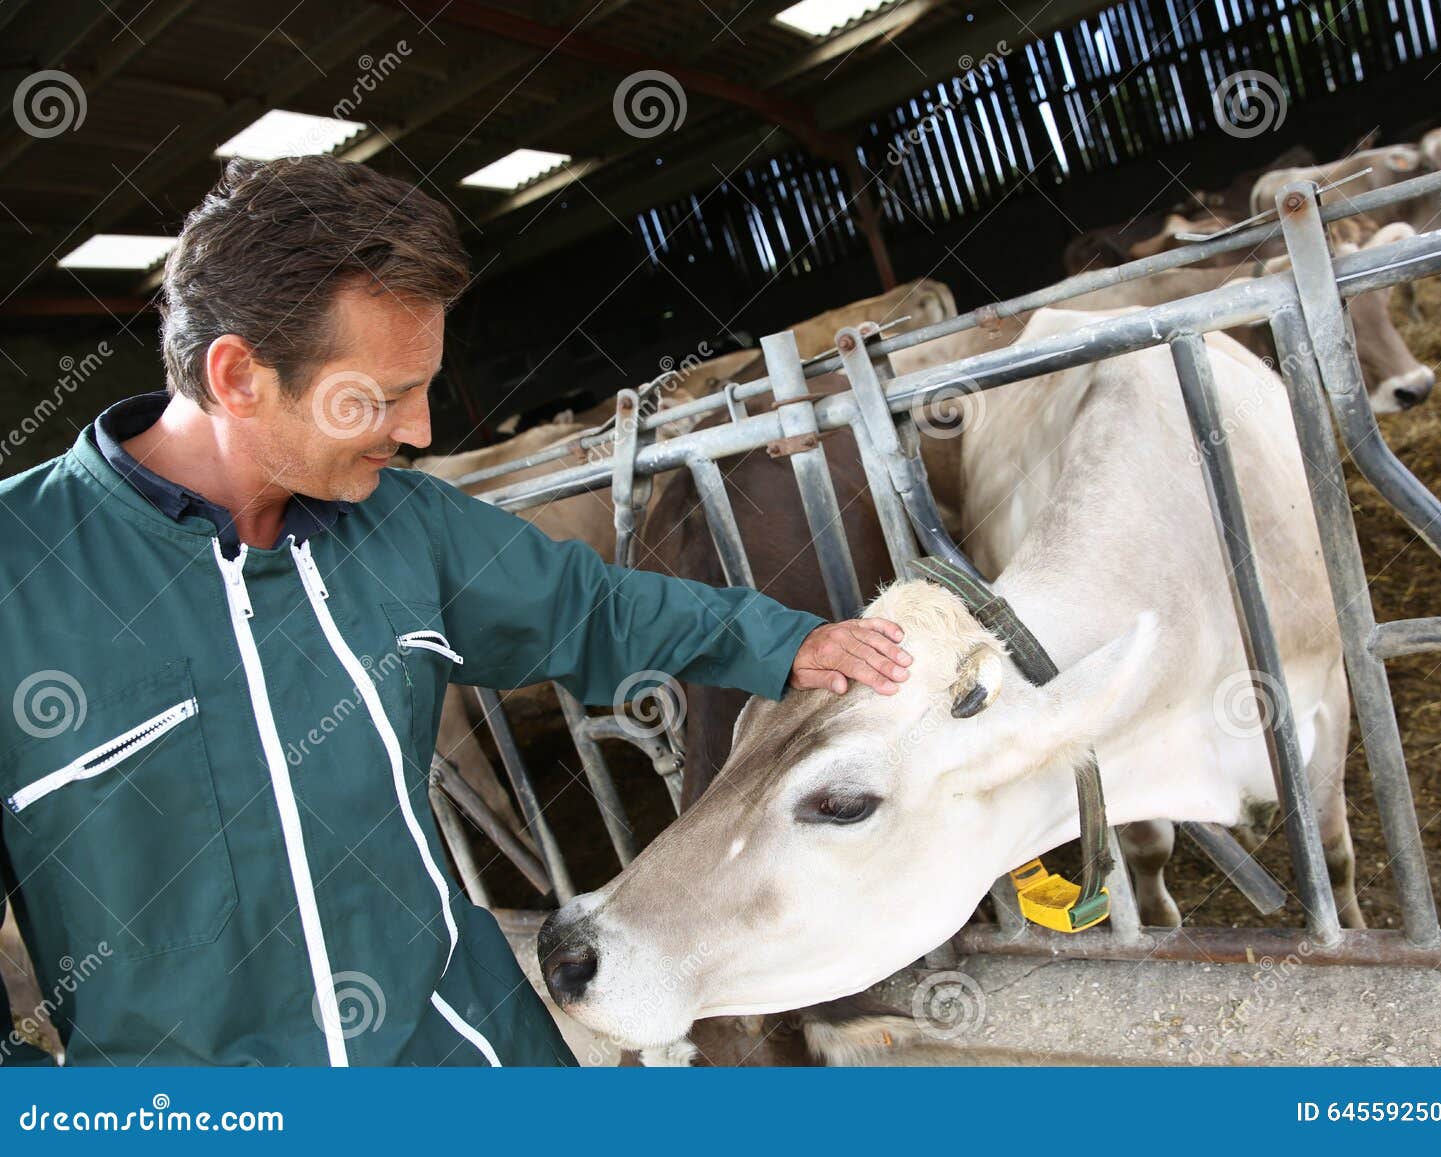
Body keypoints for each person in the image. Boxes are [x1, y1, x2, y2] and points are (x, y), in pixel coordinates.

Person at [0, 156, 911, 1066]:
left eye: (425, 385)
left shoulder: (406, 524)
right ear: (239, 376)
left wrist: (789, 641)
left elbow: (592, 607)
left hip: (467, 1053)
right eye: (384, 396)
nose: (424, 430)